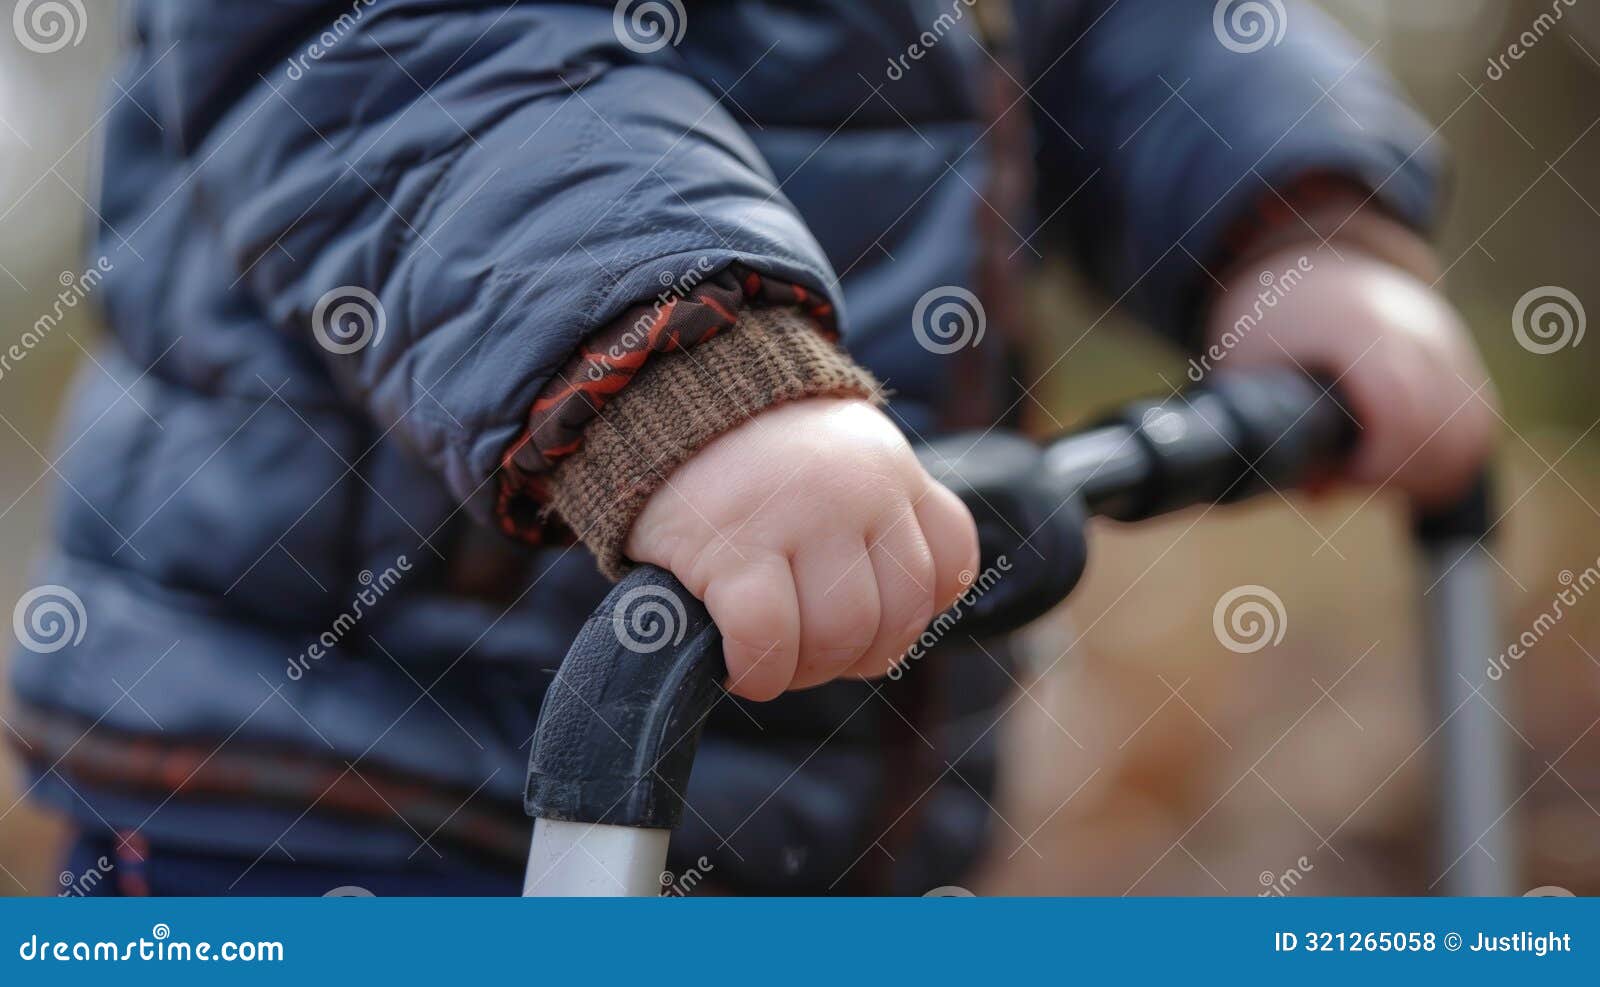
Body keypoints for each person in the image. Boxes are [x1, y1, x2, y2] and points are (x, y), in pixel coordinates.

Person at [10, 0, 1492, 895]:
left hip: (821, 784)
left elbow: (1119, 26)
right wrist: (673, 359)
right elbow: (385, 51)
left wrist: (1289, 215)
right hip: (359, 769)